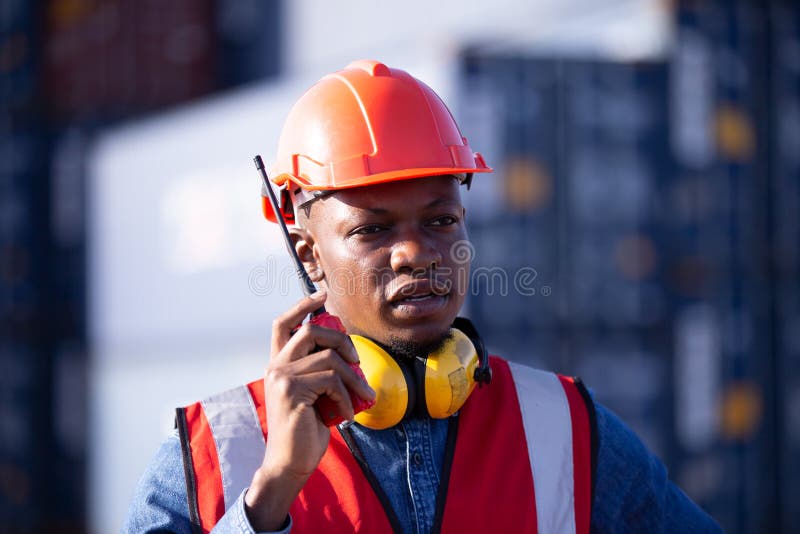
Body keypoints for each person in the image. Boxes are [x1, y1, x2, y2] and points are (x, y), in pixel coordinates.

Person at [124, 60, 722, 533]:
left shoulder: (566, 430)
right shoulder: (212, 458)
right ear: (308, 253)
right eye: (372, 229)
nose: (415, 253)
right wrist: (272, 493)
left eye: (440, 221)